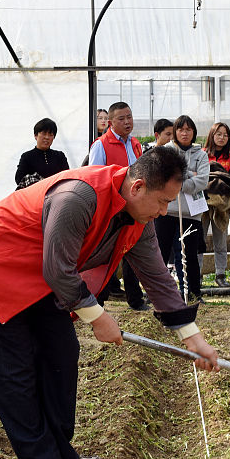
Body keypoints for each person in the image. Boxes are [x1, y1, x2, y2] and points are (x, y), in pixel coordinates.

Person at [0, 146, 221, 459]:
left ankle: (60, 451)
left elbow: (158, 279)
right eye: (162, 202)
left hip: (45, 276)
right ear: (138, 187)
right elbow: (59, 270)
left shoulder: (139, 220)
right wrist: (98, 317)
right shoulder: (78, 197)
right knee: (16, 367)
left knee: (62, 354)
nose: (164, 212)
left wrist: (193, 337)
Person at [87, 102, 145, 307]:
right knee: (104, 256)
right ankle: (98, 301)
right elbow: (94, 179)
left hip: (133, 208)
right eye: (122, 118)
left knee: (132, 252)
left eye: (129, 117)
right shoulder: (100, 145)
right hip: (110, 209)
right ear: (110, 123)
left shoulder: (135, 144)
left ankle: (135, 299)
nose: (127, 121)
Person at [154, 115, 210, 301]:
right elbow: (163, 178)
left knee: (189, 255)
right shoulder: (166, 152)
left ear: (193, 132)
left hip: (191, 214)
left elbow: (202, 181)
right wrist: (190, 175)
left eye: (188, 129)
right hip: (166, 211)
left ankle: (193, 293)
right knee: (160, 254)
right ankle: (157, 293)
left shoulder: (201, 155)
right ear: (175, 132)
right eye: (180, 129)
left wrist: (178, 180)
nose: (184, 133)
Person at [202, 122, 230, 287]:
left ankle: (220, 275)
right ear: (212, 135)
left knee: (220, 241)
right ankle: (197, 275)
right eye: (219, 134)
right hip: (202, 203)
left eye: (225, 135)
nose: (222, 138)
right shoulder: (202, 154)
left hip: (222, 204)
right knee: (199, 240)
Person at [15, 117, 70, 188]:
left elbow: (67, 177)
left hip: (57, 192)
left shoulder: (60, 156)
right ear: (36, 135)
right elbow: (19, 179)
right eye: (44, 133)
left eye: (50, 134)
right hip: (35, 192)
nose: (47, 137)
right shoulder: (27, 156)